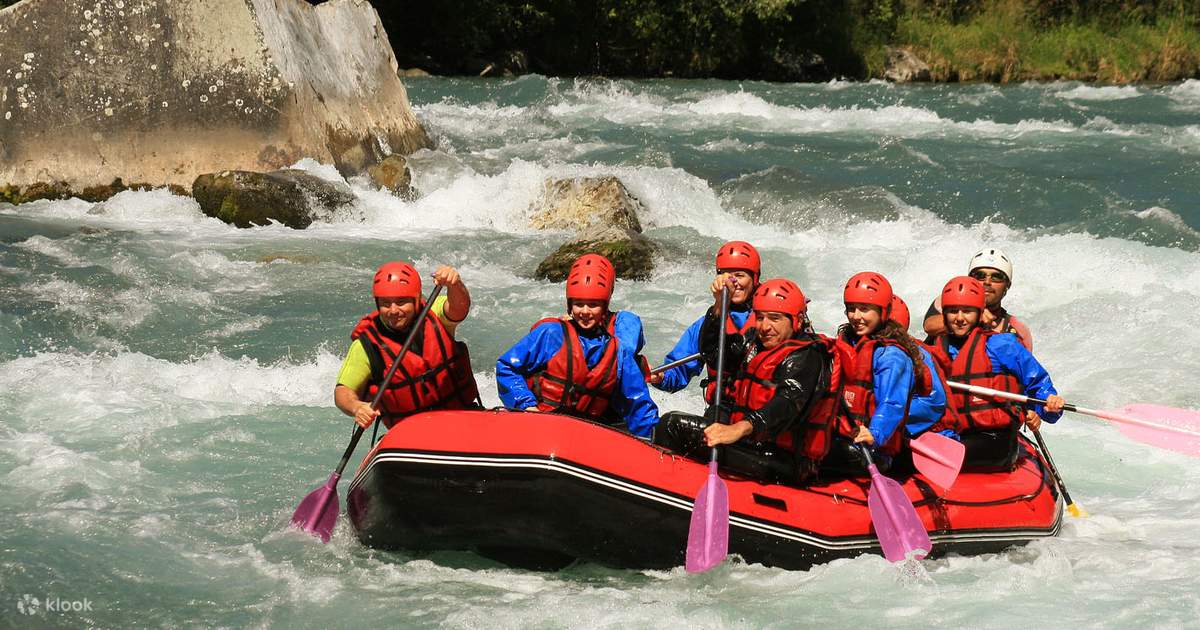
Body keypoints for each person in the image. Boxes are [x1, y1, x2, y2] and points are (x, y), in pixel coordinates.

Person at [653, 279, 836, 485]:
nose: (764, 327)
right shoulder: (754, 343)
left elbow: (787, 404)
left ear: (798, 320)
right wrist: (719, 306)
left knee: (672, 425)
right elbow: (714, 354)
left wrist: (738, 428)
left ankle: (666, 486)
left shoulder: (806, 356)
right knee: (698, 420)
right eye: (759, 317)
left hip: (783, 460)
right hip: (753, 443)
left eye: (774, 319)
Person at [495, 254, 659, 437]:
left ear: (605, 307)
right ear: (569, 306)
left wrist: (647, 440)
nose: (585, 312)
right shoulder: (551, 333)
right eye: (579, 304)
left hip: (583, 436)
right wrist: (526, 406)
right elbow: (507, 367)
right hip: (538, 424)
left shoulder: (617, 351)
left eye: (593, 305)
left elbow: (638, 403)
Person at [929, 276, 1064, 470]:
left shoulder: (1002, 345)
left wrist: (1049, 405)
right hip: (954, 435)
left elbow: (1037, 384)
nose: (959, 318)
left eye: (967, 311)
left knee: (938, 454)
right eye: (952, 311)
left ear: (979, 313)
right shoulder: (938, 348)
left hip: (995, 441)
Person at [334, 262, 480, 431]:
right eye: (386, 303)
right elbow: (343, 392)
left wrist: (454, 285)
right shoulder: (367, 345)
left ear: (417, 300)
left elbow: (459, 308)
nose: (393, 310)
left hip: (460, 418)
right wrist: (357, 407)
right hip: (411, 434)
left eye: (401, 302)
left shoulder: (434, 313)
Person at [826, 272, 931, 475]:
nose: (856, 316)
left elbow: (893, 403)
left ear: (883, 311)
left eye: (864, 309)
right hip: (842, 435)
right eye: (851, 309)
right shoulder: (846, 340)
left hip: (873, 449)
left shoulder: (891, 356)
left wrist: (874, 433)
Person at [651, 241, 762, 404]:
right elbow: (678, 371)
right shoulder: (707, 323)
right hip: (724, 408)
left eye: (739, 275)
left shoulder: (772, 319)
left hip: (763, 411)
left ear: (755, 278)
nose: (732, 282)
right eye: (725, 275)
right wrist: (660, 377)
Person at [923, 248, 1033, 350]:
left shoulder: (1017, 329)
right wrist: (974, 318)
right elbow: (929, 326)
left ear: (1007, 285)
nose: (987, 282)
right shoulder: (949, 298)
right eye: (980, 275)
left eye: (996, 277)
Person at [891, 295, 960, 441]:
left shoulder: (918, 356)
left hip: (931, 434)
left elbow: (932, 402)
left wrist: (885, 417)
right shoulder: (862, 349)